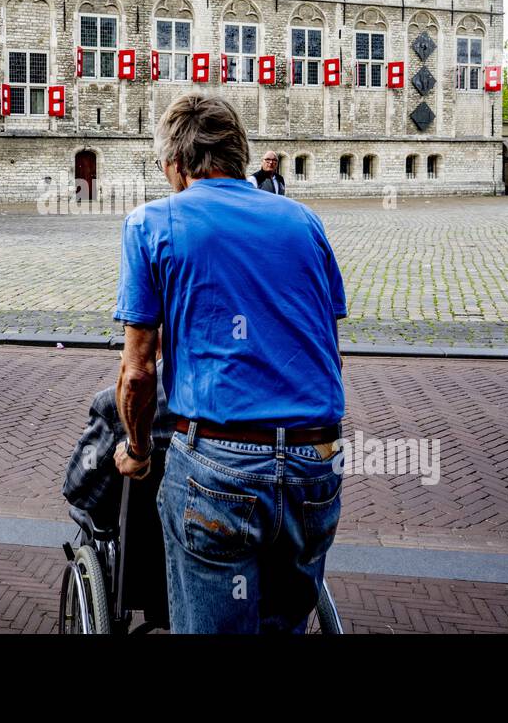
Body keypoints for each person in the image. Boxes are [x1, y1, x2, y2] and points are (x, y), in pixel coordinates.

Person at [113, 94, 348, 634]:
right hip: (316, 459)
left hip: (222, 466)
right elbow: (323, 342)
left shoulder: (152, 222)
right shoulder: (303, 220)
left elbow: (138, 370)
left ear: (174, 164)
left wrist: (139, 451)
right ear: (241, 156)